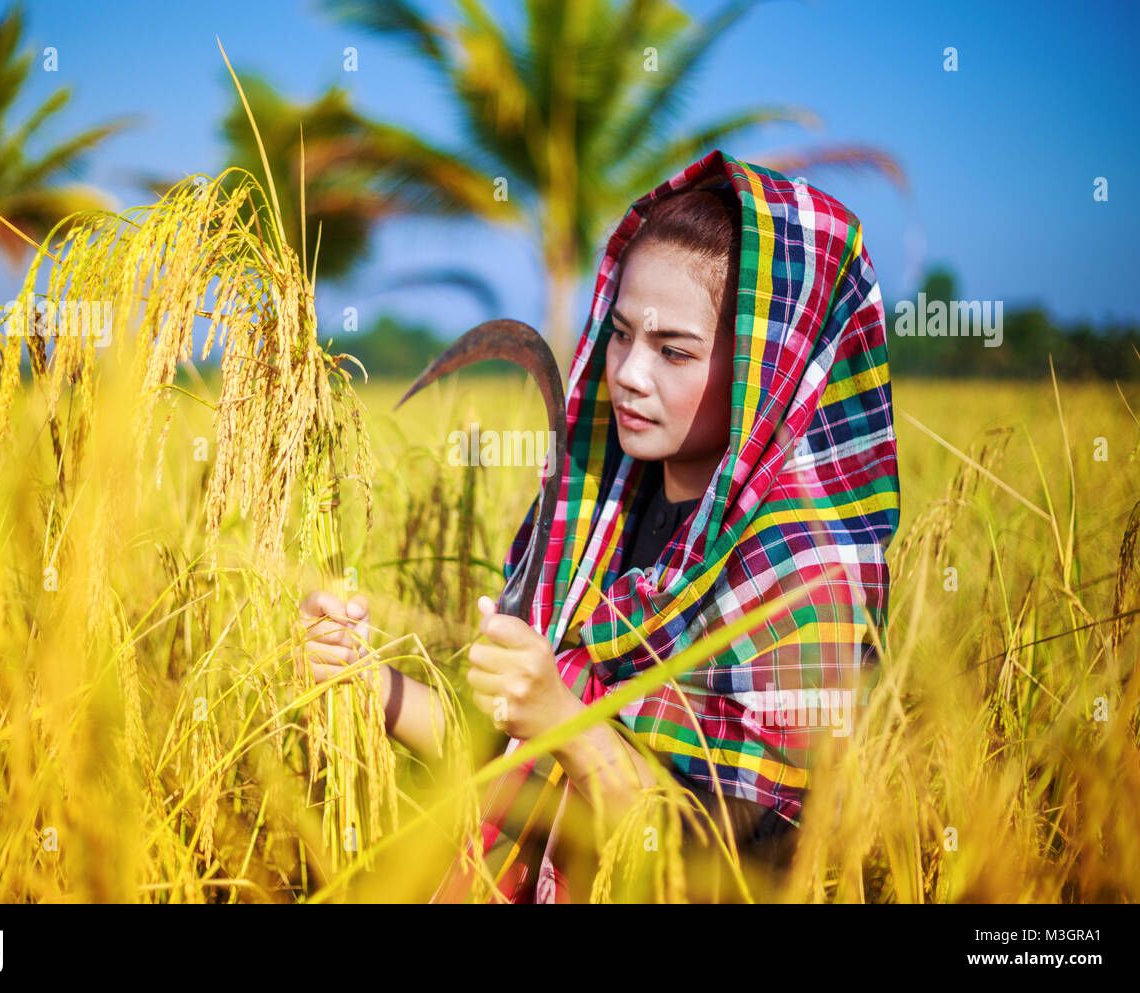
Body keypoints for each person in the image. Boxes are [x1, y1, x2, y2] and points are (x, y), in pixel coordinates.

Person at [301, 148, 900, 902]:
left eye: (673, 350)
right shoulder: (590, 518)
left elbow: (726, 874)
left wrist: (564, 718)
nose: (629, 374)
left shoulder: (804, 585)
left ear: (767, 371)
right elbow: (496, 758)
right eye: (621, 333)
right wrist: (362, 679)